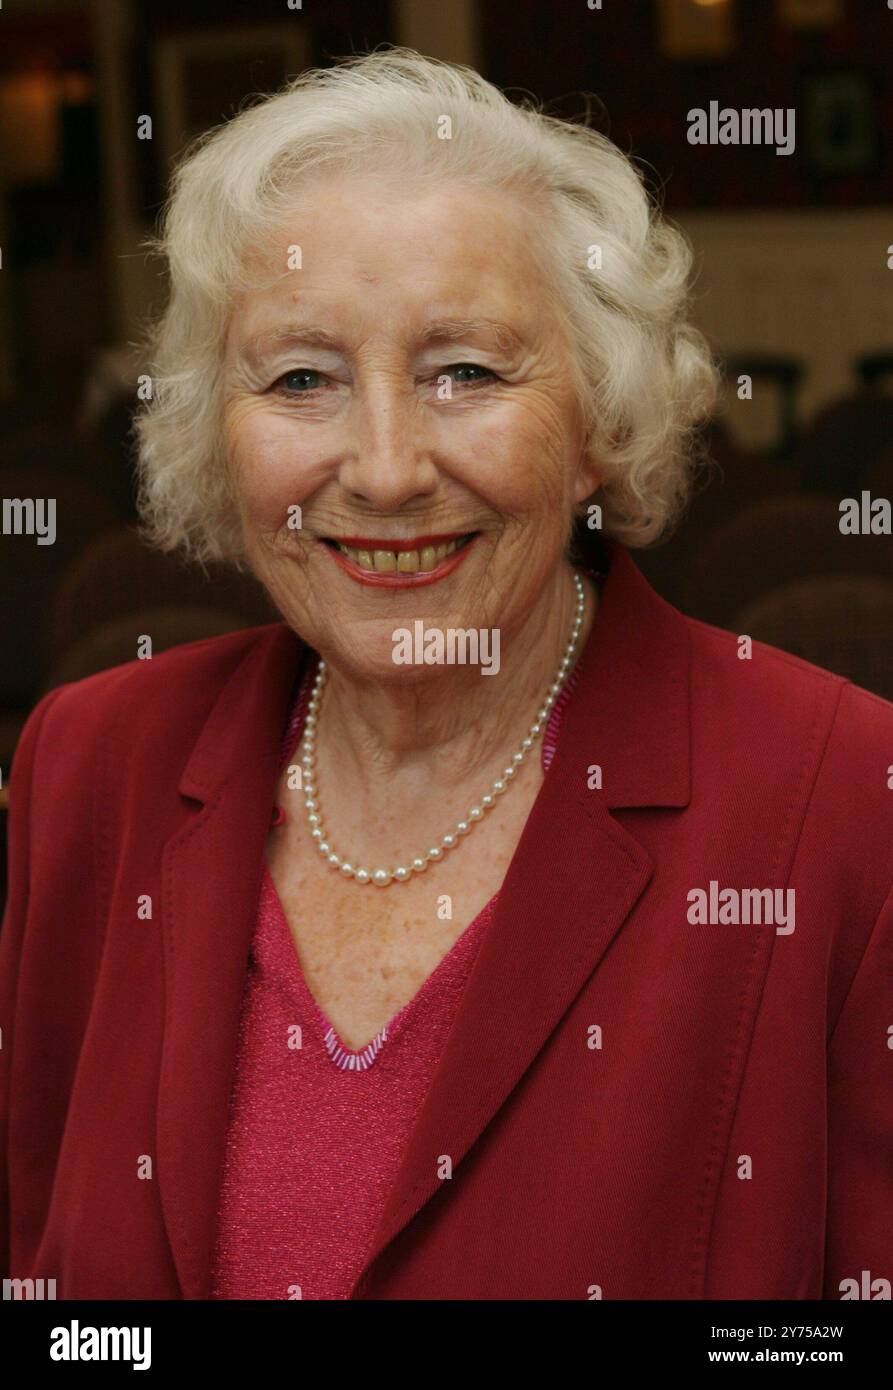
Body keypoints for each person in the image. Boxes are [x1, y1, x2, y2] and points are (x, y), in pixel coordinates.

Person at [1, 48, 890, 1301]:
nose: (382, 468)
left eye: (463, 371)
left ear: (598, 422)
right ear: (217, 429)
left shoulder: (841, 802)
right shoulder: (91, 761)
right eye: (300, 377)